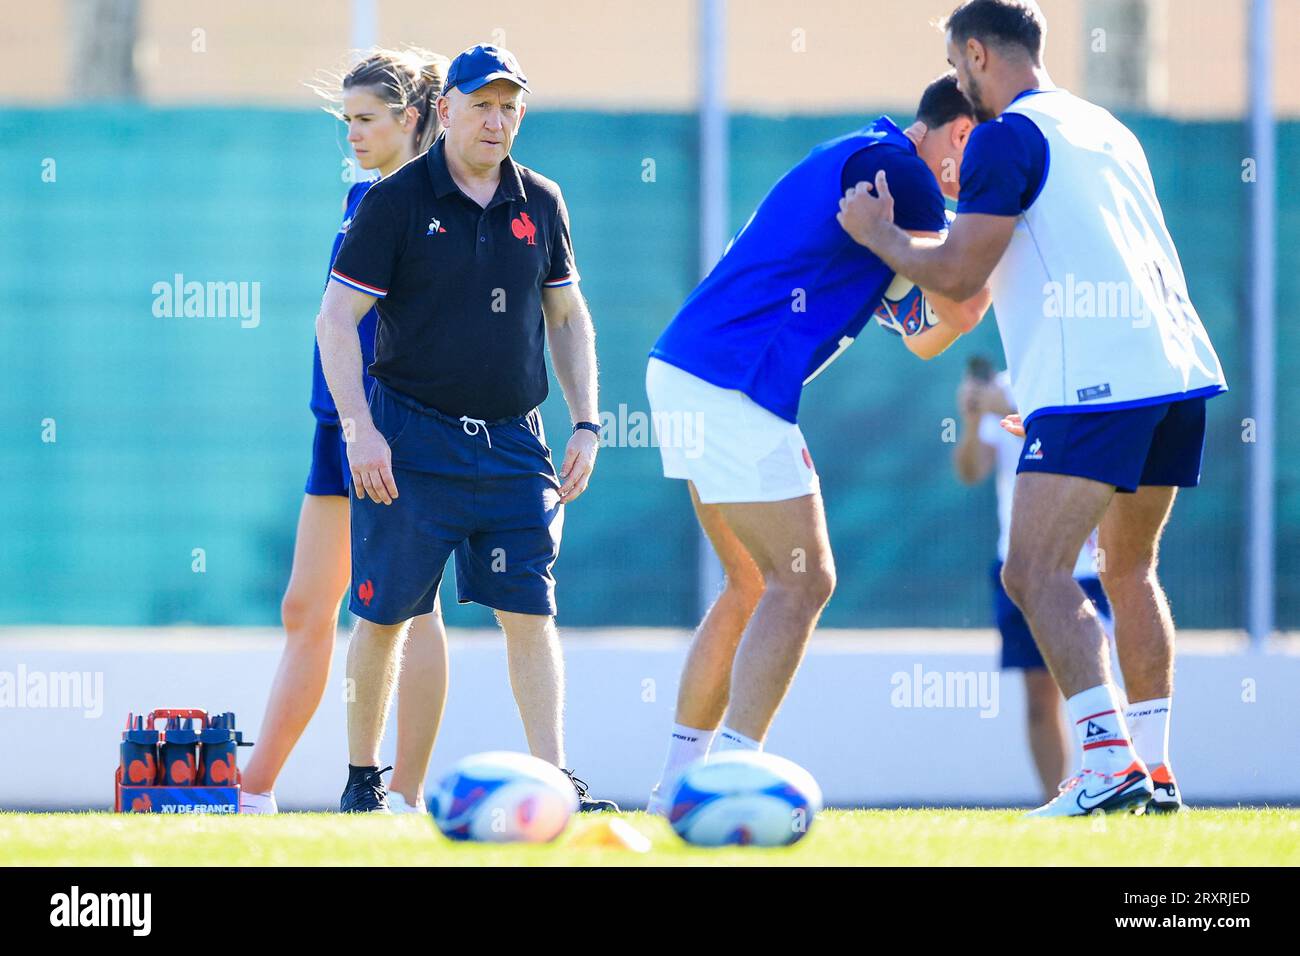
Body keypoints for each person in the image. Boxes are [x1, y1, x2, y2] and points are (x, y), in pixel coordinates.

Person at [838, 0, 1227, 815]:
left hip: (1103, 384)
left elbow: (957, 273)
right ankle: (1153, 771)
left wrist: (878, 236)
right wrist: (1050, 387)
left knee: (1033, 571)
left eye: (954, 65)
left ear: (977, 54)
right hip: (1173, 371)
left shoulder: (1006, 135)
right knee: (1129, 570)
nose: (955, 82)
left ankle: (1105, 762)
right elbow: (1090, 253)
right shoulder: (1106, 128)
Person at [644, 74, 990, 815]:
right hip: (731, 380)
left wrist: (961, 298)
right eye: (985, 146)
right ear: (962, 134)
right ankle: (733, 778)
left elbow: (928, 334)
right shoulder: (902, 174)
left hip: (685, 373)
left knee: (751, 586)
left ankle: (677, 784)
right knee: (805, 580)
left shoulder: (865, 155)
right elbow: (959, 284)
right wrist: (995, 250)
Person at [316, 44, 616, 812]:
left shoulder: (541, 201)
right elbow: (336, 319)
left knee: (531, 611)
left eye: (509, 105)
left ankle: (555, 782)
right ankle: (362, 785)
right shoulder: (396, 202)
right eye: (480, 104)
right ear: (442, 110)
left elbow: (567, 315)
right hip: (409, 437)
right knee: (384, 613)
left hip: (516, 442)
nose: (496, 119)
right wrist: (359, 429)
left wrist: (585, 422)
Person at [241, 48, 451, 815]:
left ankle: (404, 795)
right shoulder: (363, 195)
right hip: (338, 425)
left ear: (412, 119)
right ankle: (253, 792)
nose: (353, 135)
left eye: (366, 121)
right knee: (306, 607)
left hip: (392, 430)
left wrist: (382, 426)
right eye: (348, 120)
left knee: (408, 608)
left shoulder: (427, 201)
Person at [953, 357, 1113, 801]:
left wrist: (1013, 407)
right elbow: (970, 471)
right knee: (1039, 698)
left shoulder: (1091, 378)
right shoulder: (1006, 385)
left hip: (1090, 571)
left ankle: (1121, 781)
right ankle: (1055, 800)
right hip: (1019, 567)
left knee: (1104, 687)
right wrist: (971, 422)